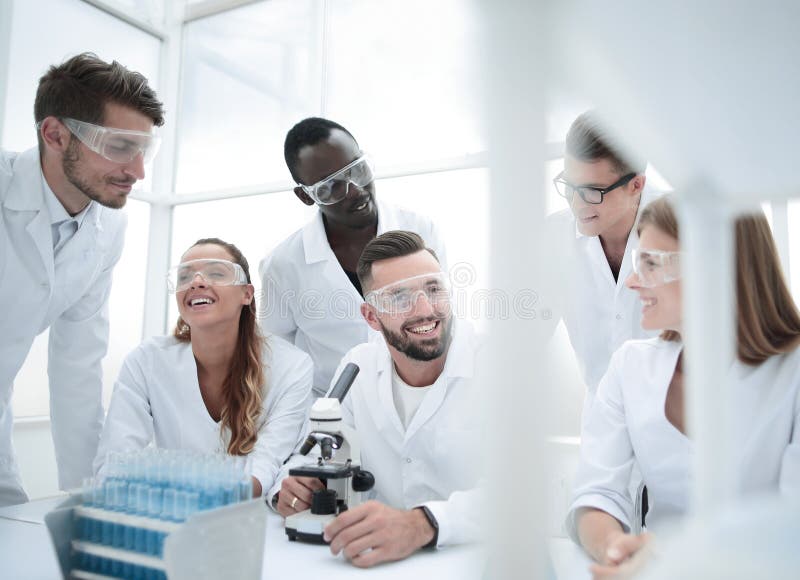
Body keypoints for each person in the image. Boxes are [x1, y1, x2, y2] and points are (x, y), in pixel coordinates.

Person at [566, 196, 800, 576]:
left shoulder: (792, 374)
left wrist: (673, 559)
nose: (632, 281)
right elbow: (596, 494)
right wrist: (616, 547)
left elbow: (792, 531)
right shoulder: (630, 366)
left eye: (651, 264)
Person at [0, 53, 164, 506]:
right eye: (118, 147)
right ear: (55, 134)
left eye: (144, 150)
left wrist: (90, 498)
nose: (137, 172)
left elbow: (78, 366)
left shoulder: (108, 227)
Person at [272, 231, 482, 567]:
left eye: (433, 289)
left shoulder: (500, 366)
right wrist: (293, 487)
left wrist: (422, 523)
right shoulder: (358, 366)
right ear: (371, 317)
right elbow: (312, 447)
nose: (425, 310)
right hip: (376, 563)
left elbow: (525, 491)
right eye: (399, 298)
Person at [94, 238, 313, 497]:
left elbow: (268, 460)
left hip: (250, 517)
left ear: (247, 294)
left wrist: (214, 496)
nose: (196, 282)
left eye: (216, 273)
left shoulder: (292, 366)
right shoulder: (147, 361)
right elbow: (116, 459)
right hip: (170, 515)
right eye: (184, 277)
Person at [259, 117, 447, 397]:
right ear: (306, 196)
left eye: (357, 170)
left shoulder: (420, 230)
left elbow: (444, 315)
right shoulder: (284, 265)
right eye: (331, 185)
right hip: (333, 411)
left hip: (420, 396)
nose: (355, 190)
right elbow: (276, 354)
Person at [547, 111, 659, 401]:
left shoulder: (684, 228)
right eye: (569, 186)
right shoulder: (552, 238)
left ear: (636, 185)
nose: (576, 203)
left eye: (592, 191)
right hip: (601, 419)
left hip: (680, 422)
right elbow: (522, 340)